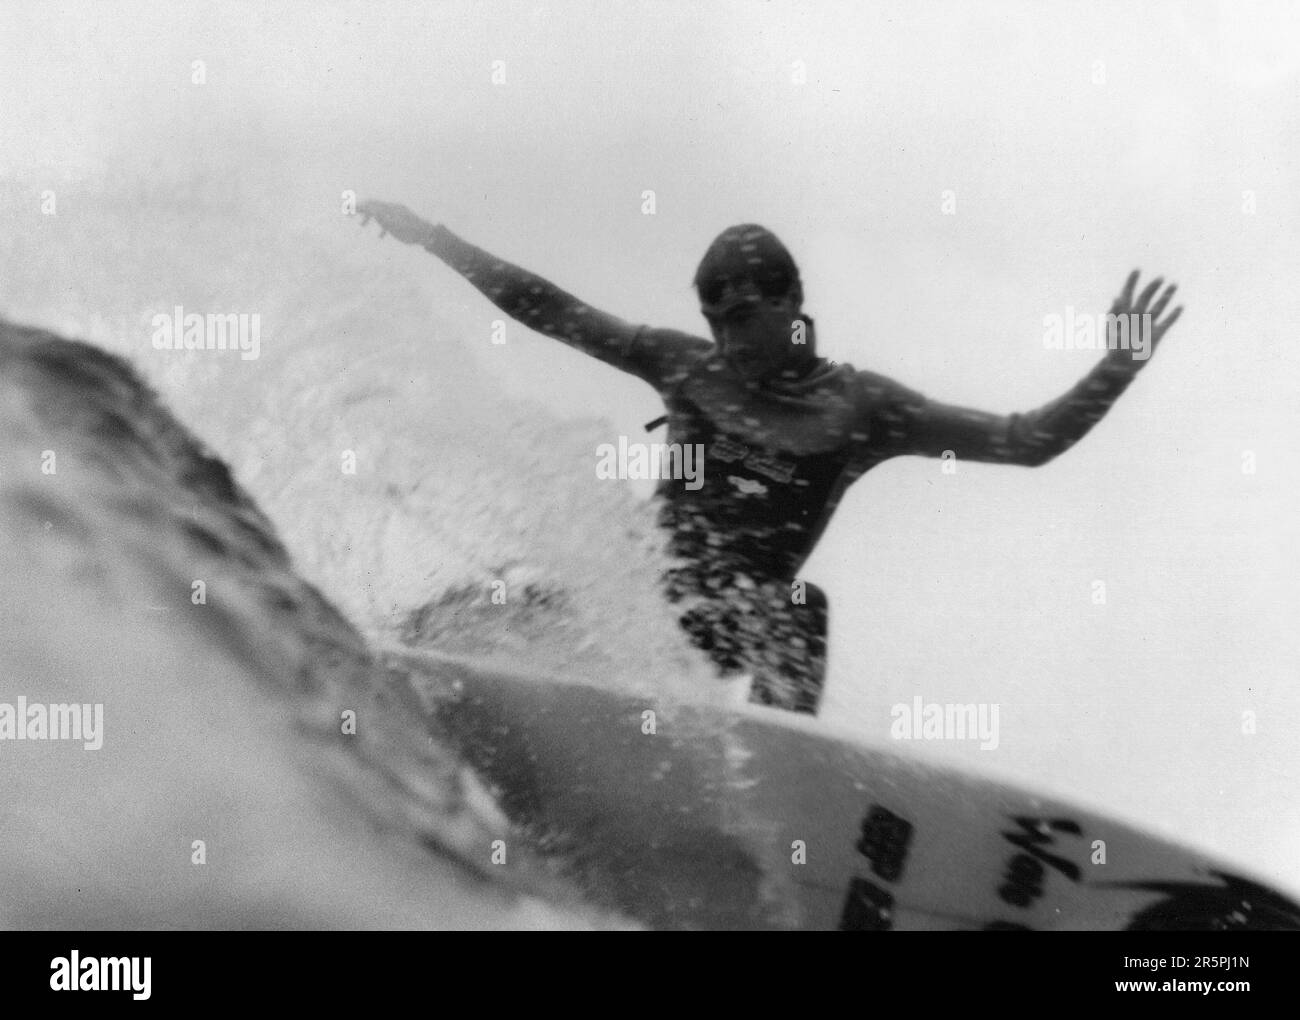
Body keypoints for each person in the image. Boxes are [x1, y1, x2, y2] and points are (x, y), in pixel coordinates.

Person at [358, 202, 1182, 714]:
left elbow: (1025, 442)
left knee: (802, 607)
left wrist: (1116, 367)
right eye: (715, 321)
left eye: (743, 315)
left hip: (736, 630)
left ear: (790, 304)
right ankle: (380, 660)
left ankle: (786, 784)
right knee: (497, 597)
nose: (728, 339)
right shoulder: (686, 365)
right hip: (637, 610)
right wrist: (435, 239)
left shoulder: (865, 410)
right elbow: (550, 311)